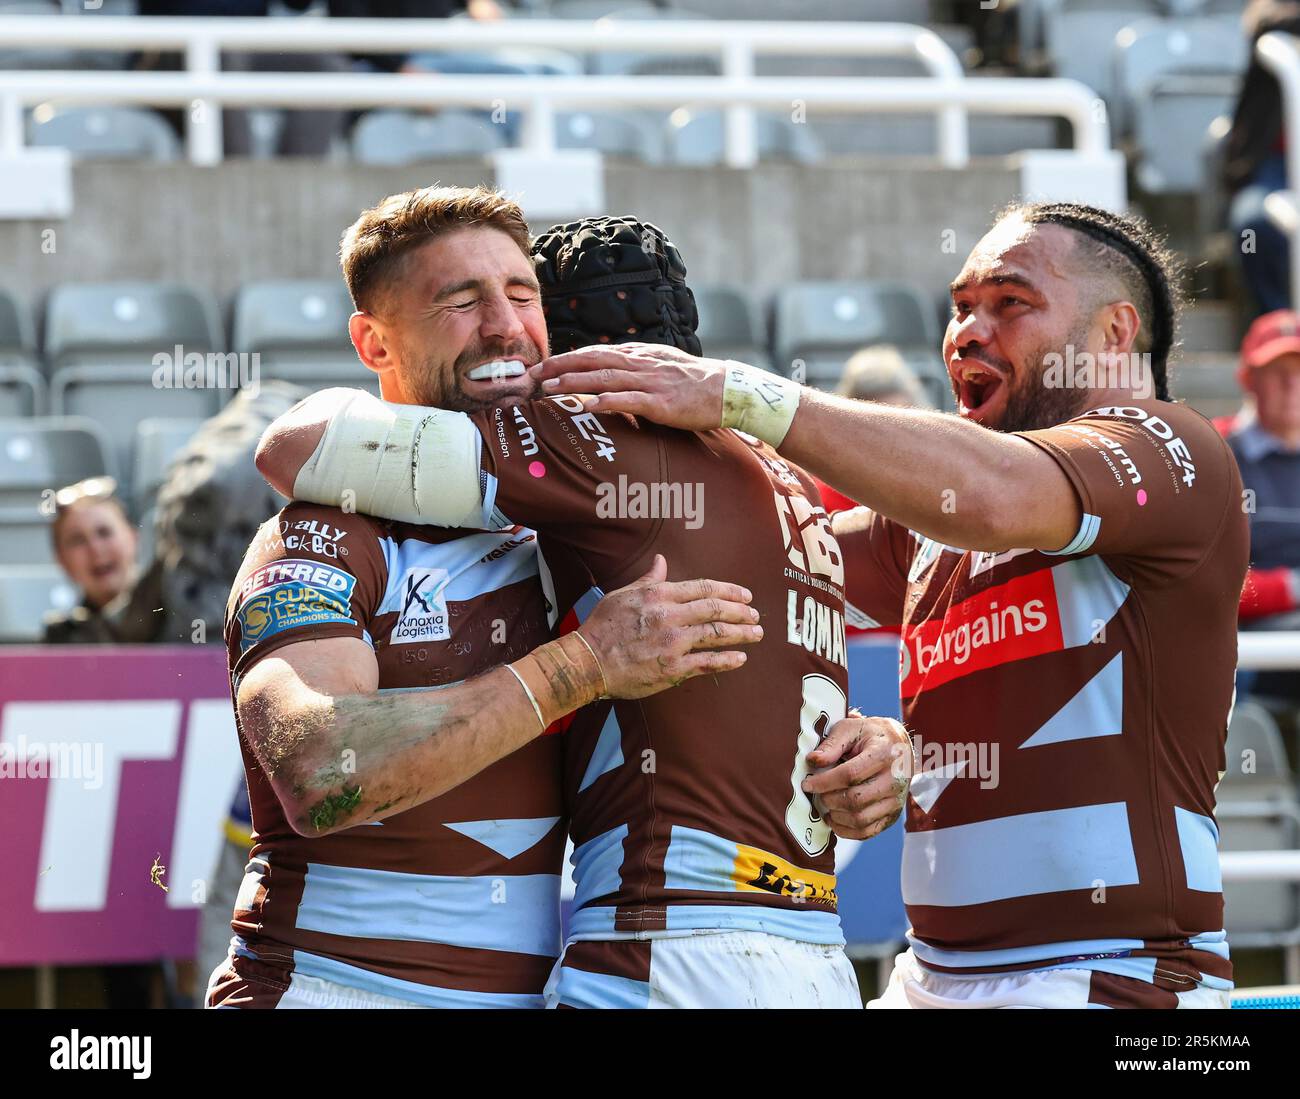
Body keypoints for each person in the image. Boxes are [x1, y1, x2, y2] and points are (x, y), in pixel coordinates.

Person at [531, 200, 1251, 1009]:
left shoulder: (1173, 445)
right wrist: (893, 749)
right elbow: (765, 562)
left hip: (1115, 974)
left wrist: (733, 393)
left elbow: (992, 491)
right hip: (928, 976)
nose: (968, 332)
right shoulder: (935, 521)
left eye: (1010, 303)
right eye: (960, 307)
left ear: (1117, 333)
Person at [254, 197, 910, 1008]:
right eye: (460, 301)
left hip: (648, 966)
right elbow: (321, 769)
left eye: (522, 295)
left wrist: (873, 749)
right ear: (374, 341)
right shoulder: (333, 527)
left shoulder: (591, 536)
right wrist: (580, 666)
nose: (502, 325)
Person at [1227, 310, 1300, 721]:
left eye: (1299, 371)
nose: (1292, 385)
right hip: (1248, 653)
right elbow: (1201, 583)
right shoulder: (1215, 457)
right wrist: (1290, 588)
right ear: (1247, 379)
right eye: (1277, 372)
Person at [1223, 0, 1300, 315]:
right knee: (1250, 230)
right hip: (1271, 168)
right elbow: (1265, 22)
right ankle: (1279, 326)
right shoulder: (1273, 27)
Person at [43, 477, 164, 646]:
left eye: (104, 532)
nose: (95, 549)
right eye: (77, 540)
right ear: (61, 560)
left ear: (134, 538)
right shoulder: (61, 639)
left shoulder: (174, 618)